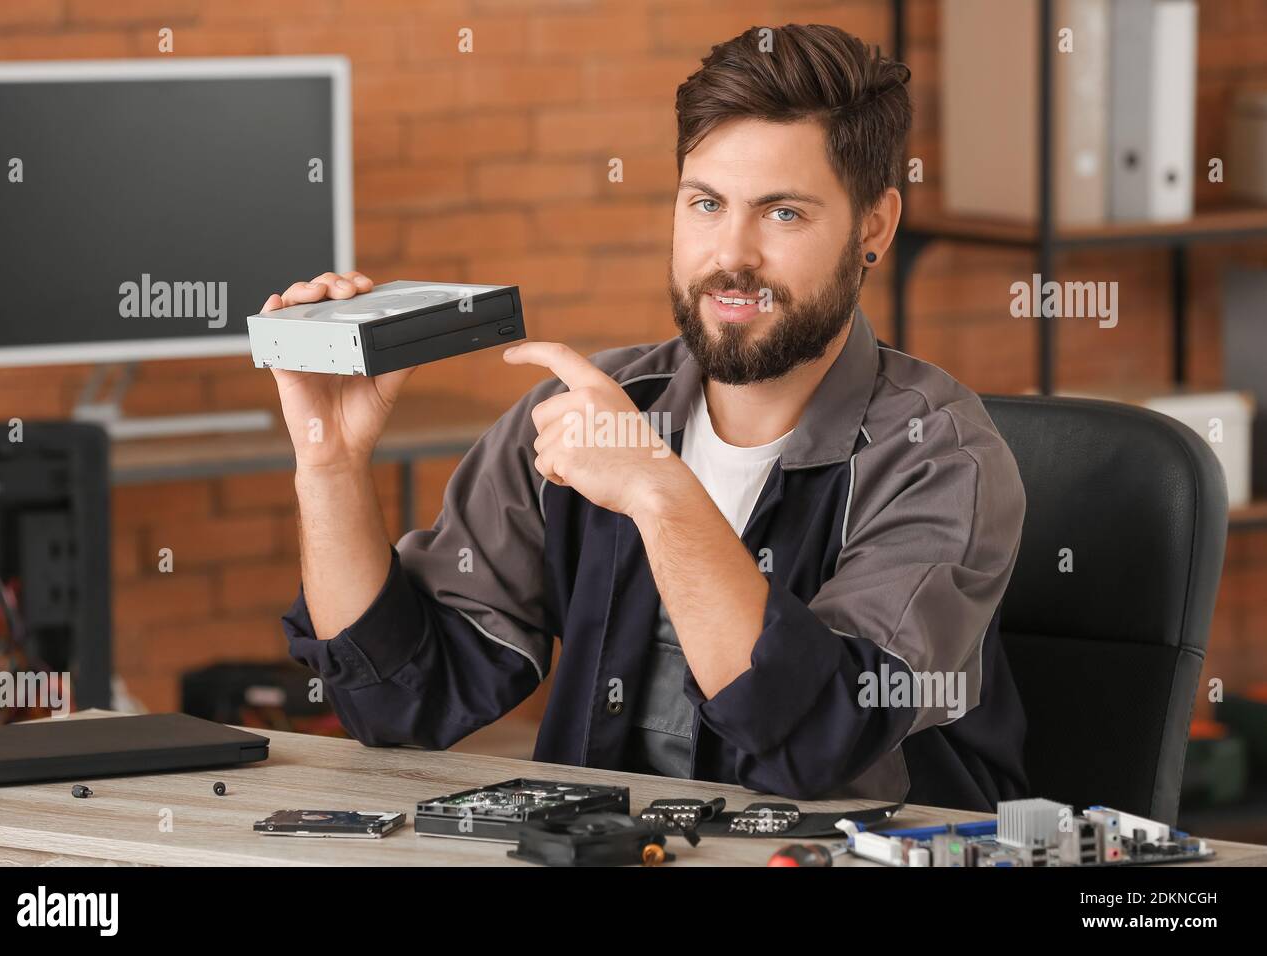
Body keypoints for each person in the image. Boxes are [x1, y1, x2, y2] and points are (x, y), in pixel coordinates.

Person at [270, 23, 1029, 810]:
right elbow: (398, 703)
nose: (732, 255)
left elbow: (815, 738)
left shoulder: (938, 458)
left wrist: (658, 491)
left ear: (873, 226)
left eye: (784, 214)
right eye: (706, 203)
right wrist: (328, 463)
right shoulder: (586, 411)